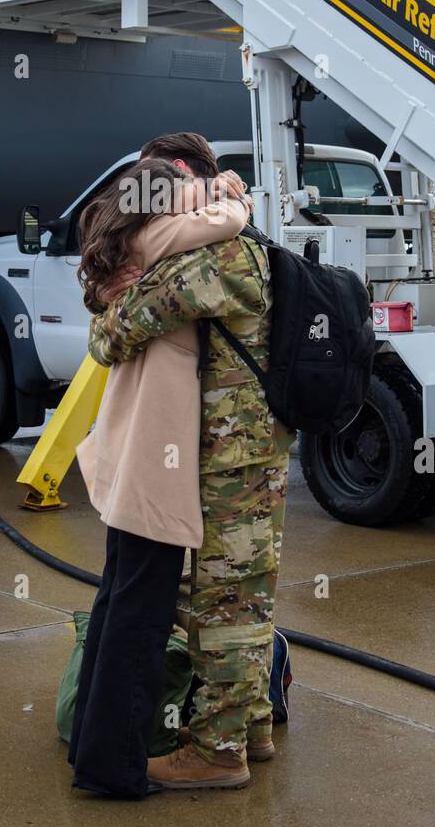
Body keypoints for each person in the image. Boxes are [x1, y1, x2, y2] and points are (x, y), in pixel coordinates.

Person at [88, 132, 295, 790]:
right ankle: (252, 727)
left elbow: (116, 331)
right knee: (245, 594)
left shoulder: (214, 260)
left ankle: (217, 752)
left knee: (226, 602)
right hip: (247, 447)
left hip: (233, 452)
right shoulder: (238, 241)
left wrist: (116, 287)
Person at [69, 159, 252, 799]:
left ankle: (92, 750)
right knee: (140, 621)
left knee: (118, 601)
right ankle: (114, 769)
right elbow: (226, 217)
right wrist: (230, 195)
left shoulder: (130, 252)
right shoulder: (158, 244)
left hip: (132, 459)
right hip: (154, 461)